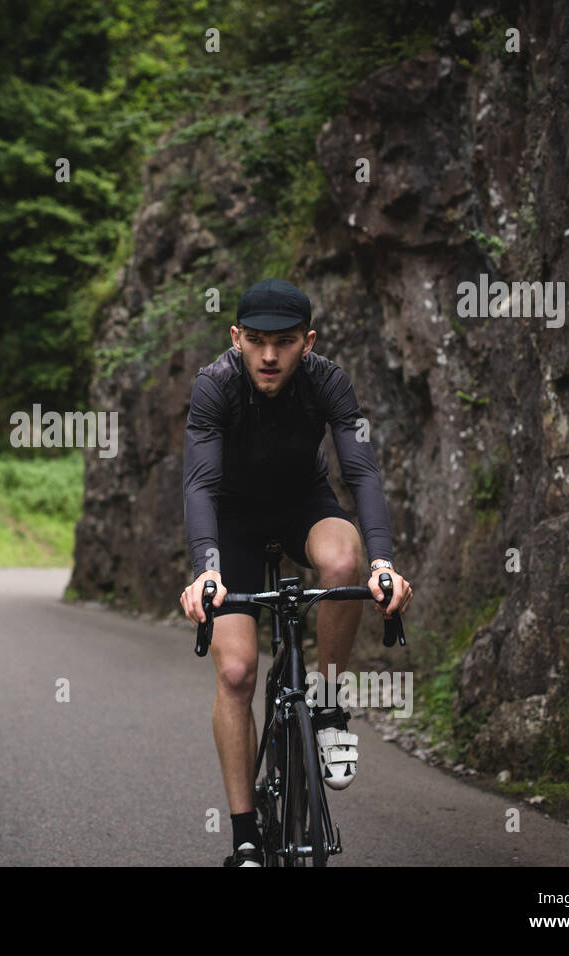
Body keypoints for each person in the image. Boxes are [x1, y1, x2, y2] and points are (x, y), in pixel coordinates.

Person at [178, 277, 413, 867]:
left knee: (343, 560)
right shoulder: (216, 384)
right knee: (235, 672)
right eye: (255, 341)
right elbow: (201, 484)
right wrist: (207, 570)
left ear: (307, 342)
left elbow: (360, 473)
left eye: (283, 342)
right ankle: (245, 840)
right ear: (236, 338)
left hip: (303, 503)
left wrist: (384, 564)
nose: (268, 355)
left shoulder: (329, 381)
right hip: (232, 522)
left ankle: (330, 705)